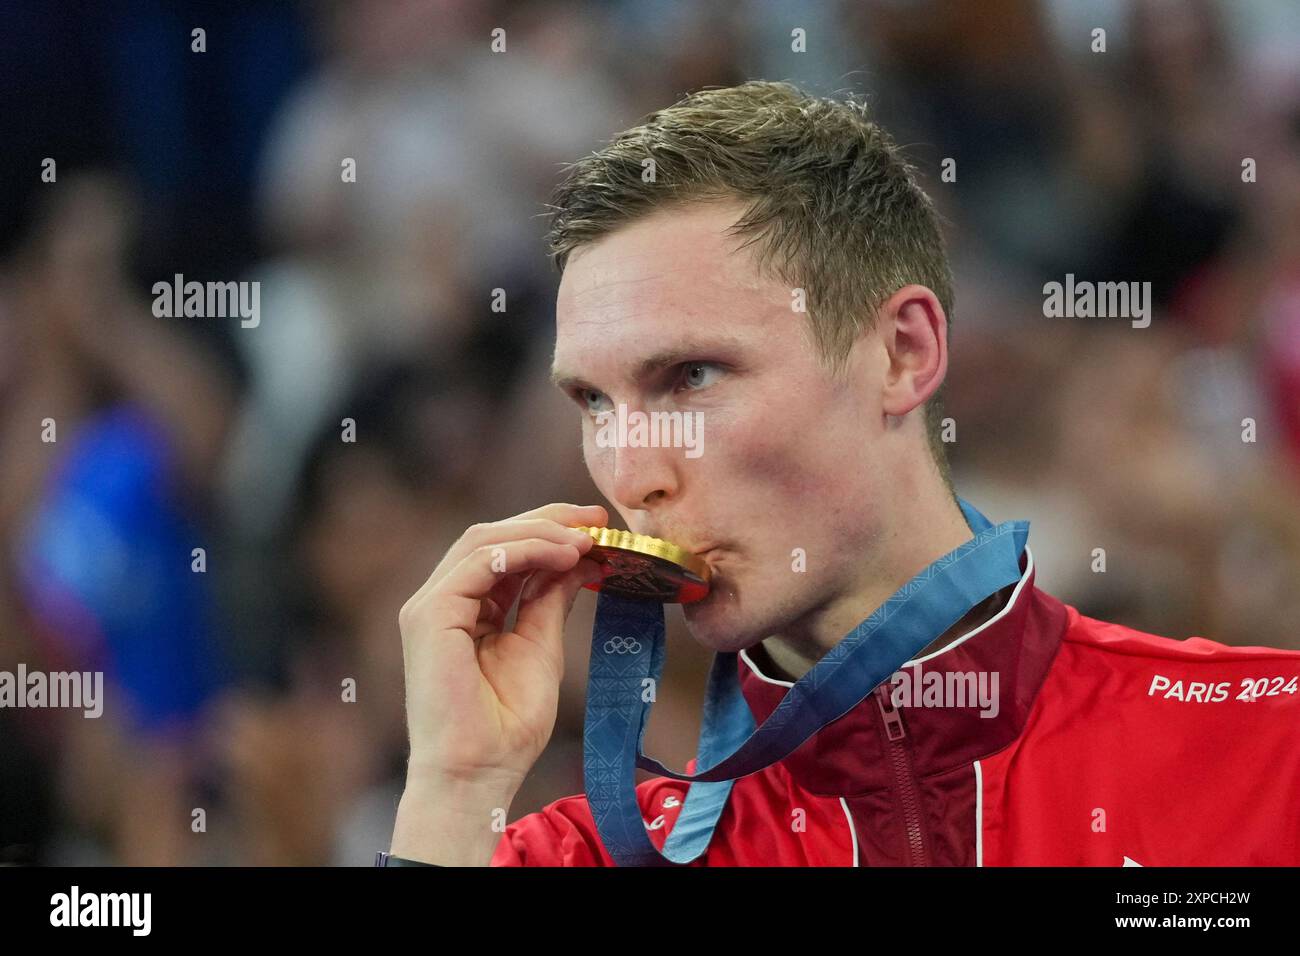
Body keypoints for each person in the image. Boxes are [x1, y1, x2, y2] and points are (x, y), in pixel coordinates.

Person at [385, 81, 1300, 867]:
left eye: (692, 376)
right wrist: (456, 791)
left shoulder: (1269, 744)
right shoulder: (564, 855)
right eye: (593, 402)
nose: (631, 471)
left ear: (904, 353)